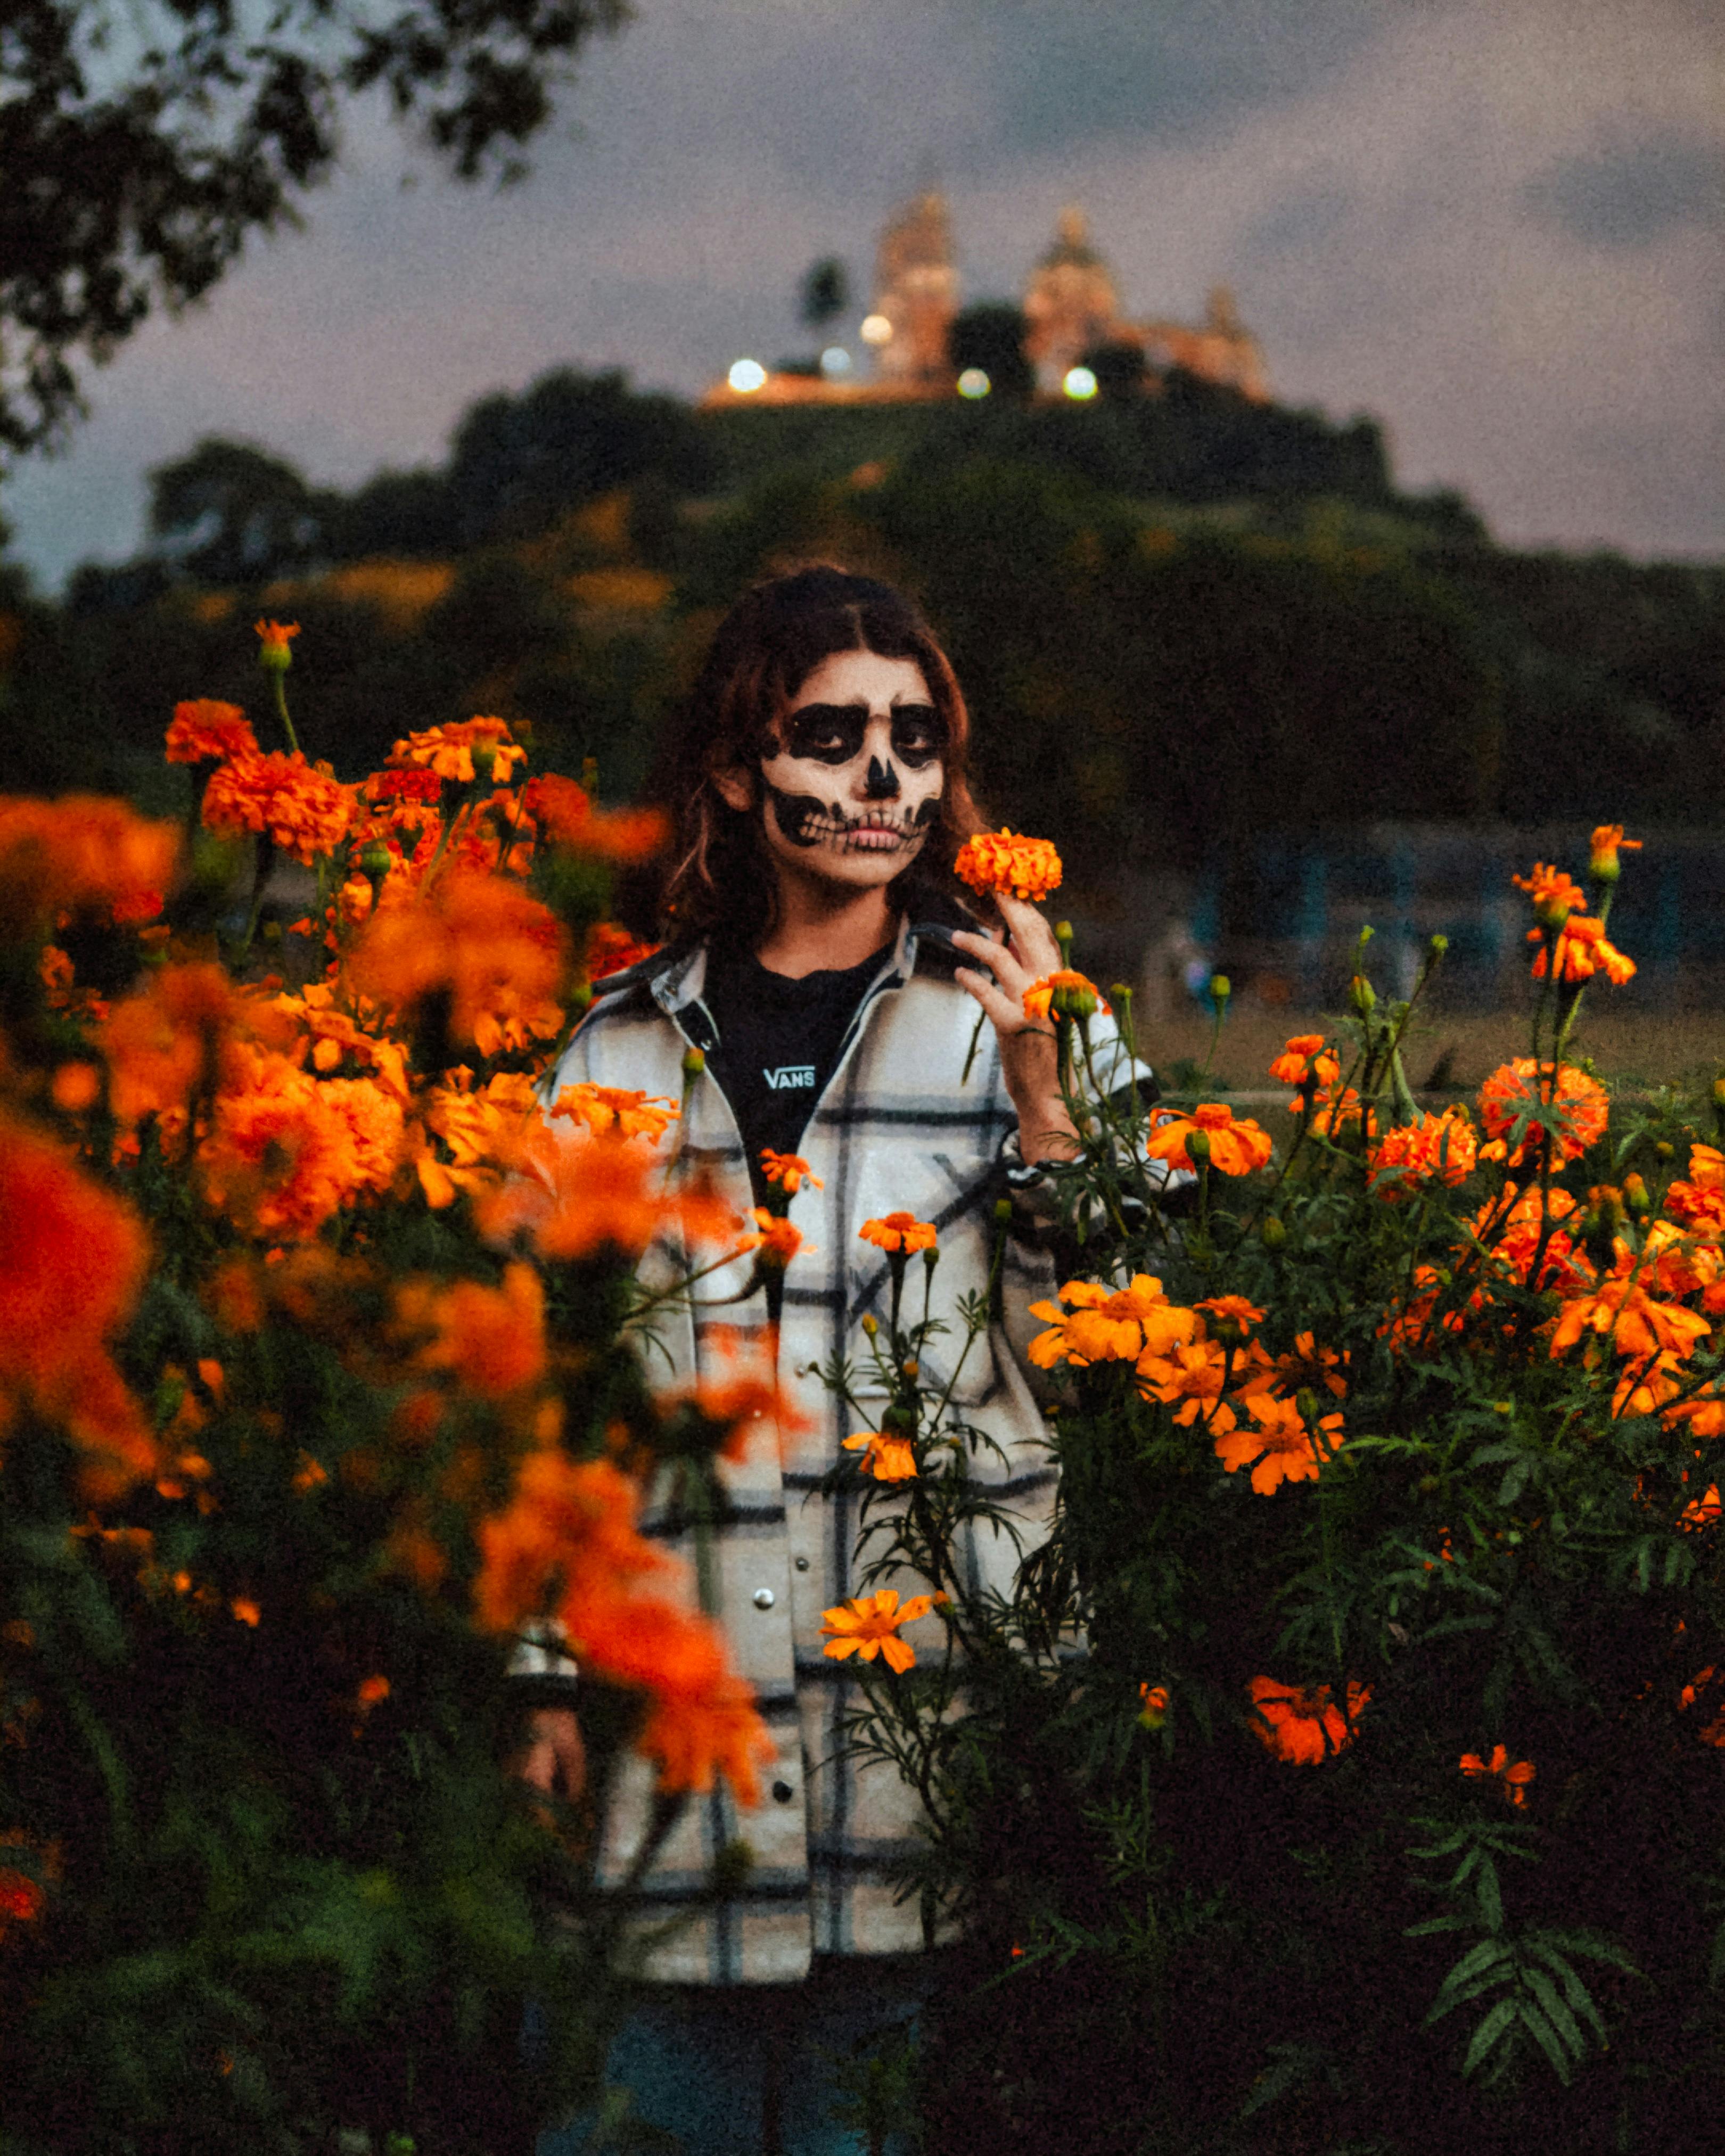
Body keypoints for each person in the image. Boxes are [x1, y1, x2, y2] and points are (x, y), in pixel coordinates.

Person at [528, 565, 1147, 2155]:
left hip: (927, 1751)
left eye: (916, 740)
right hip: (669, 1765)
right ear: (739, 770)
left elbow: (1106, 1368)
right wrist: (534, 1675)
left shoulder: (1024, 1026)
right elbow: (539, 1389)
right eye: (832, 735)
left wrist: (1048, 1102)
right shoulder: (614, 1047)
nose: (883, 778)